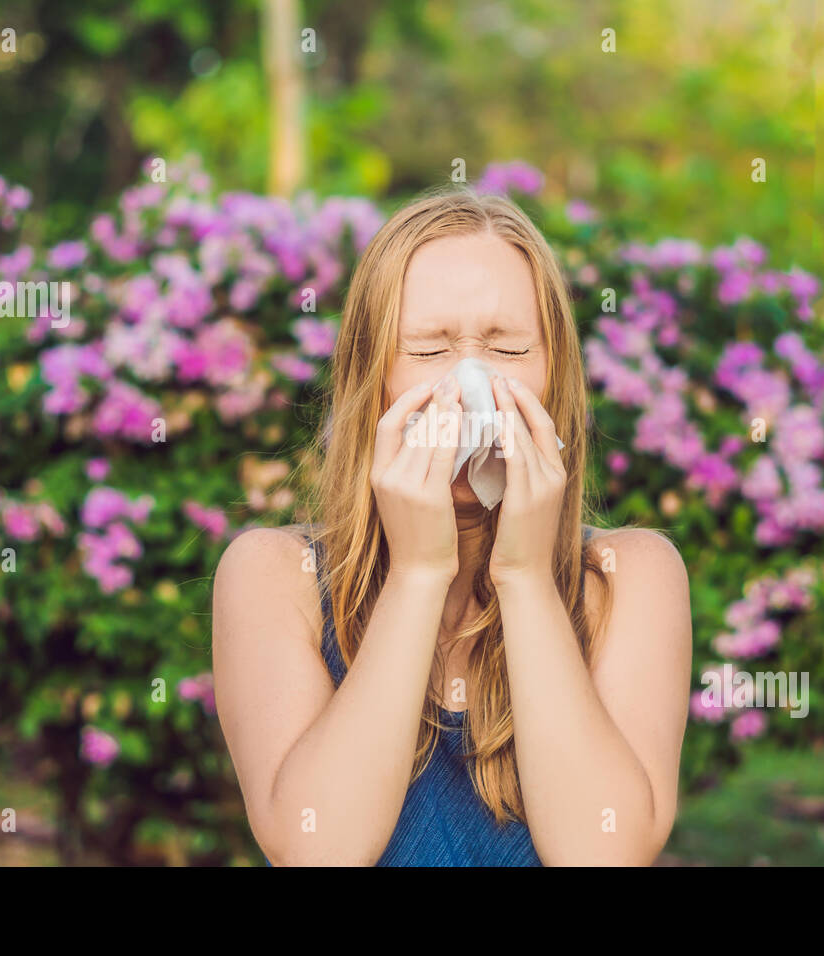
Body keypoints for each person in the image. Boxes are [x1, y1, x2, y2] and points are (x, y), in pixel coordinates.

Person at [212, 186, 691, 866]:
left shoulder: (628, 579)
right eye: (431, 351)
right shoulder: (272, 577)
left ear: (556, 375)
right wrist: (418, 572)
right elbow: (317, 850)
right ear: (370, 380)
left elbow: (603, 854)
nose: (472, 386)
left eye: (507, 347)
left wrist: (524, 577)